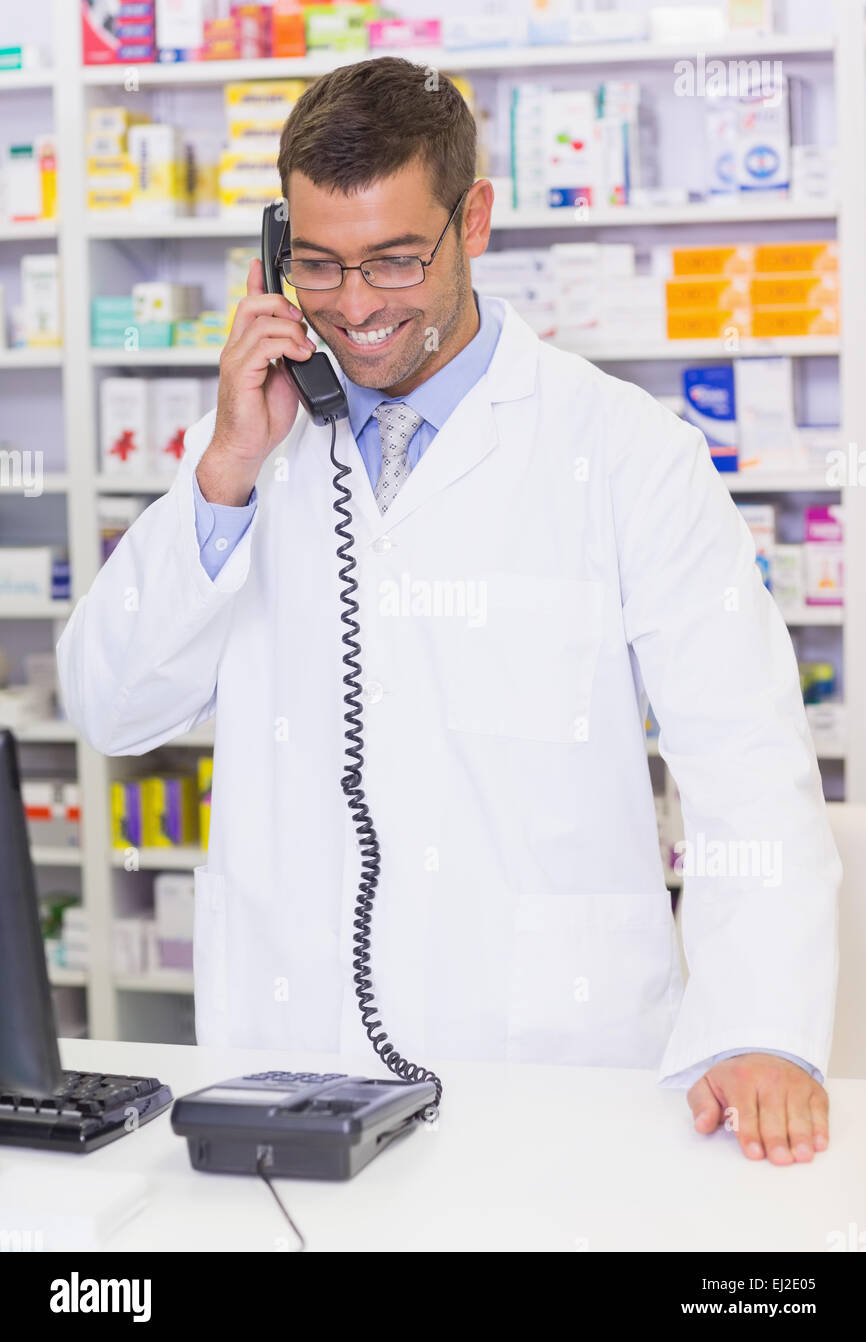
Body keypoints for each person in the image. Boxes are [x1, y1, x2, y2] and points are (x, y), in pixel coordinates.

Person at [57, 57, 840, 1167]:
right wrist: (226, 468)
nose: (357, 305)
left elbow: (747, 765)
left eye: (391, 259)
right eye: (318, 266)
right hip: (285, 1065)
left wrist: (760, 1031)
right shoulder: (249, 446)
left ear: (471, 220)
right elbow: (109, 705)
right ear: (275, 252)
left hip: (549, 1074)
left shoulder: (622, 452)